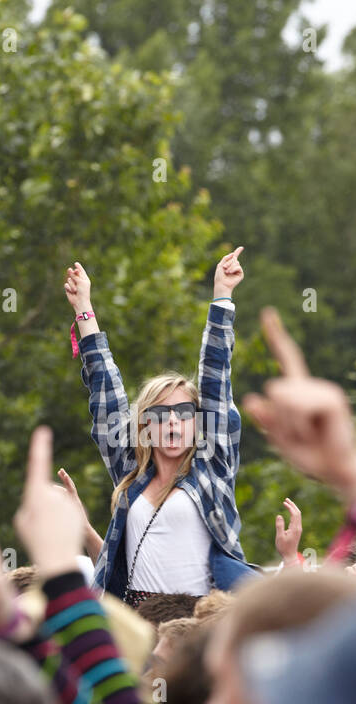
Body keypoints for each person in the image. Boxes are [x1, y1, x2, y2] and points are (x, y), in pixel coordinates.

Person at [66, 250, 256, 606]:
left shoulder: (211, 468)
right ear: (145, 425)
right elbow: (105, 394)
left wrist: (222, 296)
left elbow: (217, 380)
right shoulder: (131, 473)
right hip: (139, 618)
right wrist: (84, 309)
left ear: (199, 423)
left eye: (184, 412)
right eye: (159, 413)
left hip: (197, 620)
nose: (171, 421)